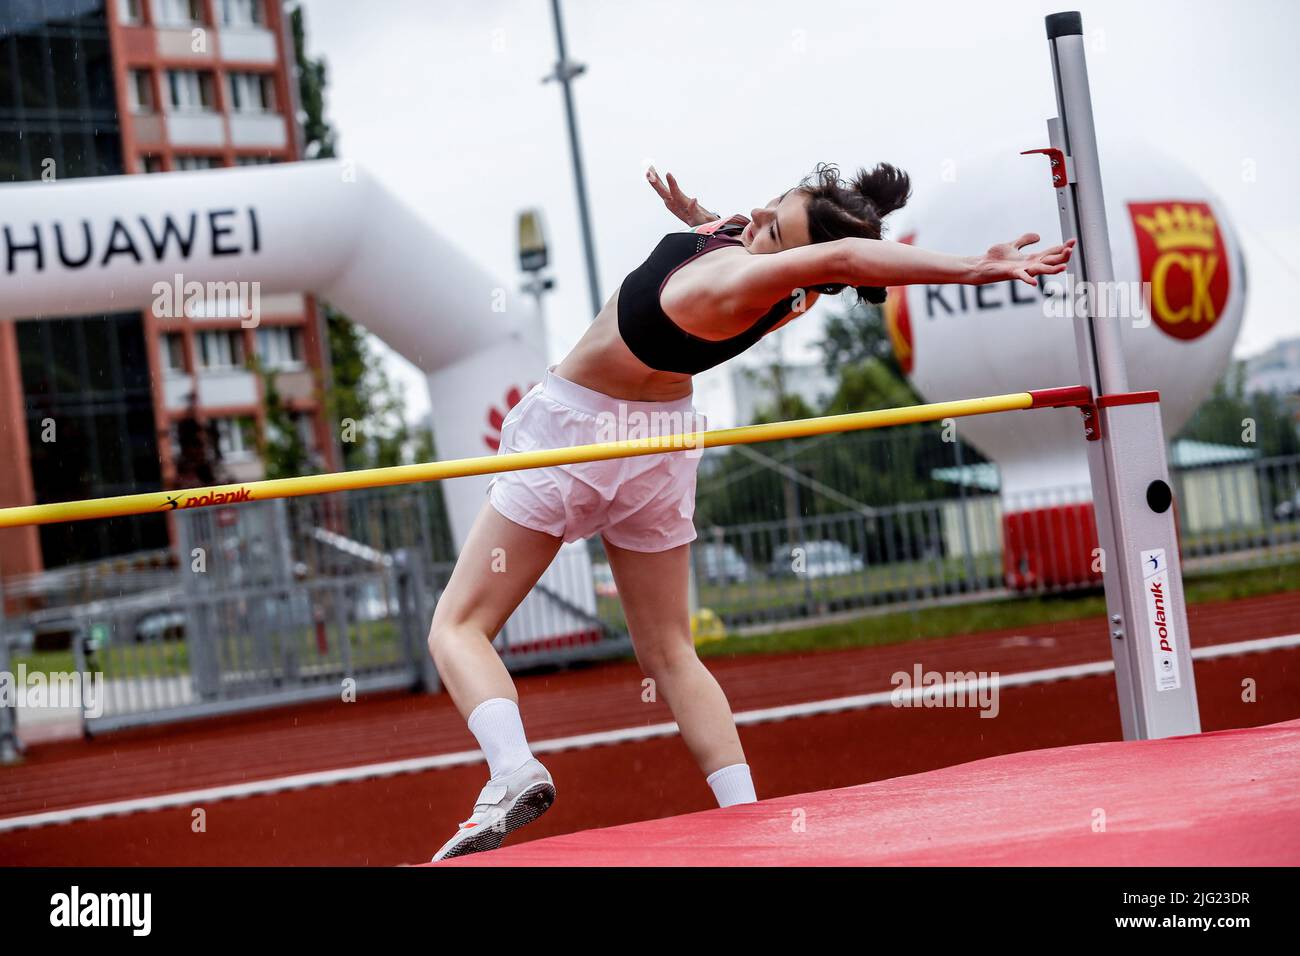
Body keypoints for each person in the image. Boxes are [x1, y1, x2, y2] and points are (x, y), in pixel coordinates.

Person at [428, 162, 1074, 860]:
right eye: (770, 211)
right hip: (657, 446)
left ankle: (511, 768)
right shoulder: (780, 283)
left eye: (774, 236)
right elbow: (815, 252)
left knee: (458, 626)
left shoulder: (739, 280)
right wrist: (702, 213)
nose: (754, 227)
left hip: (574, 430)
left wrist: (975, 266)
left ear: (801, 266)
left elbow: (845, 257)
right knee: (671, 650)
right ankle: (748, 820)